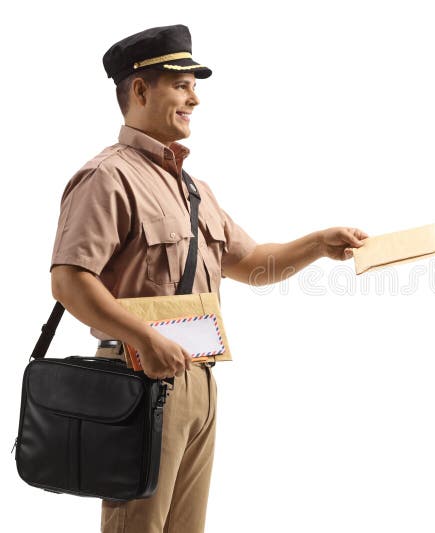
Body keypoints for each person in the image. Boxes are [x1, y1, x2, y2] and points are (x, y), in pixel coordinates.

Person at [49, 24, 367, 533]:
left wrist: (317, 244)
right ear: (139, 89)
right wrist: (145, 339)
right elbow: (69, 281)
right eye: (182, 83)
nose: (194, 97)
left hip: (197, 378)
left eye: (194, 85)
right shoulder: (107, 177)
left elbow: (253, 264)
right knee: (137, 525)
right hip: (136, 375)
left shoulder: (195, 189)